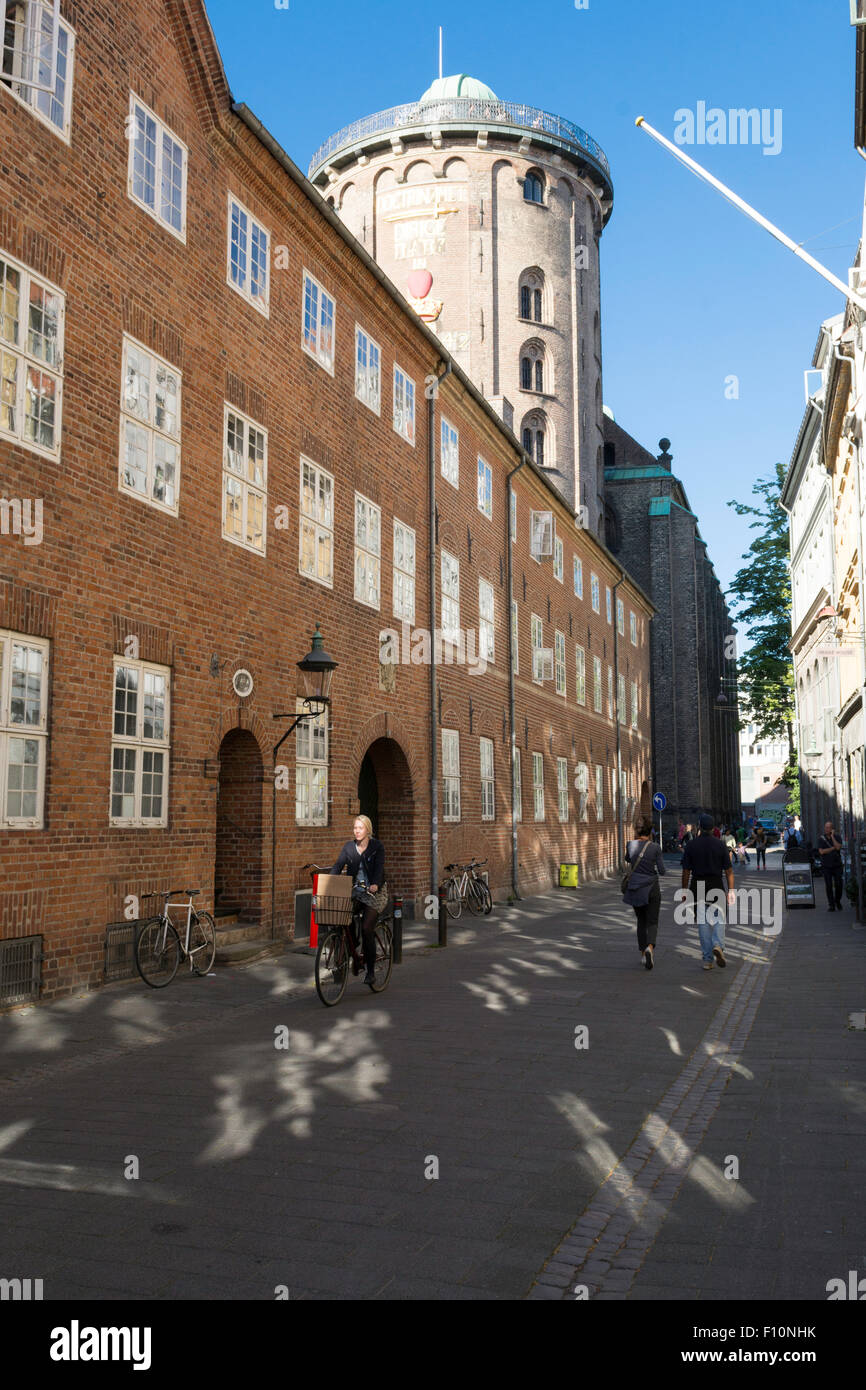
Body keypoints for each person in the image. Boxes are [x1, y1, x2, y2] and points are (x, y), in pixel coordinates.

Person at [329, 815, 388, 984]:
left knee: (367, 928)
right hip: (356, 891)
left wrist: (375, 884)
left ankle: (370, 971)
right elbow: (338, 866)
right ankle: (352, 945)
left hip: (375, 893)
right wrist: (330, 882)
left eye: (360, 828)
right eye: (355, 828)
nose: (357, 831)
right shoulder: (349, 847)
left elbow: (378, 868)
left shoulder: (377, 846)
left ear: (367, 830)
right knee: (342, 917)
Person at [681, 813, 735, 970]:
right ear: (713, 828)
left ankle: (707, 960)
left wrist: (684, 891)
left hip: (698, 885)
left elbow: (686, 872)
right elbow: (729, 871)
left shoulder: (691, 845)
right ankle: (718, 944)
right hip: (716, 884)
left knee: (703, 922)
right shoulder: (720, 845)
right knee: (719, 918)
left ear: (699, 827)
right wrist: (731, 890)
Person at [622, 818, 666, 970]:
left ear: (637, 830)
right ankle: (650, 948)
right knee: (652, 921)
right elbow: (662, 871)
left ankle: (642, 954)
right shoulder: (655, 847)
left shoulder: (630, 845)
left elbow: (628, 859)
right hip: (652, 888)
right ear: (650, 831)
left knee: (641, 920)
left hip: (635, 888)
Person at [817, 821, 845, 911]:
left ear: (832, 829)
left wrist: (832, 837)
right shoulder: (821, 839)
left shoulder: (837, 837)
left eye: (828, 828)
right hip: (826, 865)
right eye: (826, 827)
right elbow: (821, 852)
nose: (826, 829)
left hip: (837, 865)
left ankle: (837, 901)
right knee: (828, 885)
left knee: (839, 884)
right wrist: (832, 848)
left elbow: (838, 847)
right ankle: (831, 904)